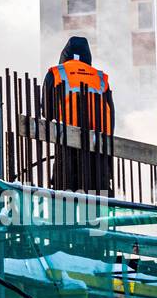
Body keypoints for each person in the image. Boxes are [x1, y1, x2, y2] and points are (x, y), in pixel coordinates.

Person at [41, 35, 115, 194]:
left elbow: (47, 113)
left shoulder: (55, 74)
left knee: (66, 207)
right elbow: (111, 119)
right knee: (99, 208)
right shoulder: (100, 78)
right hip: (98, 155)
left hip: (67, 152)